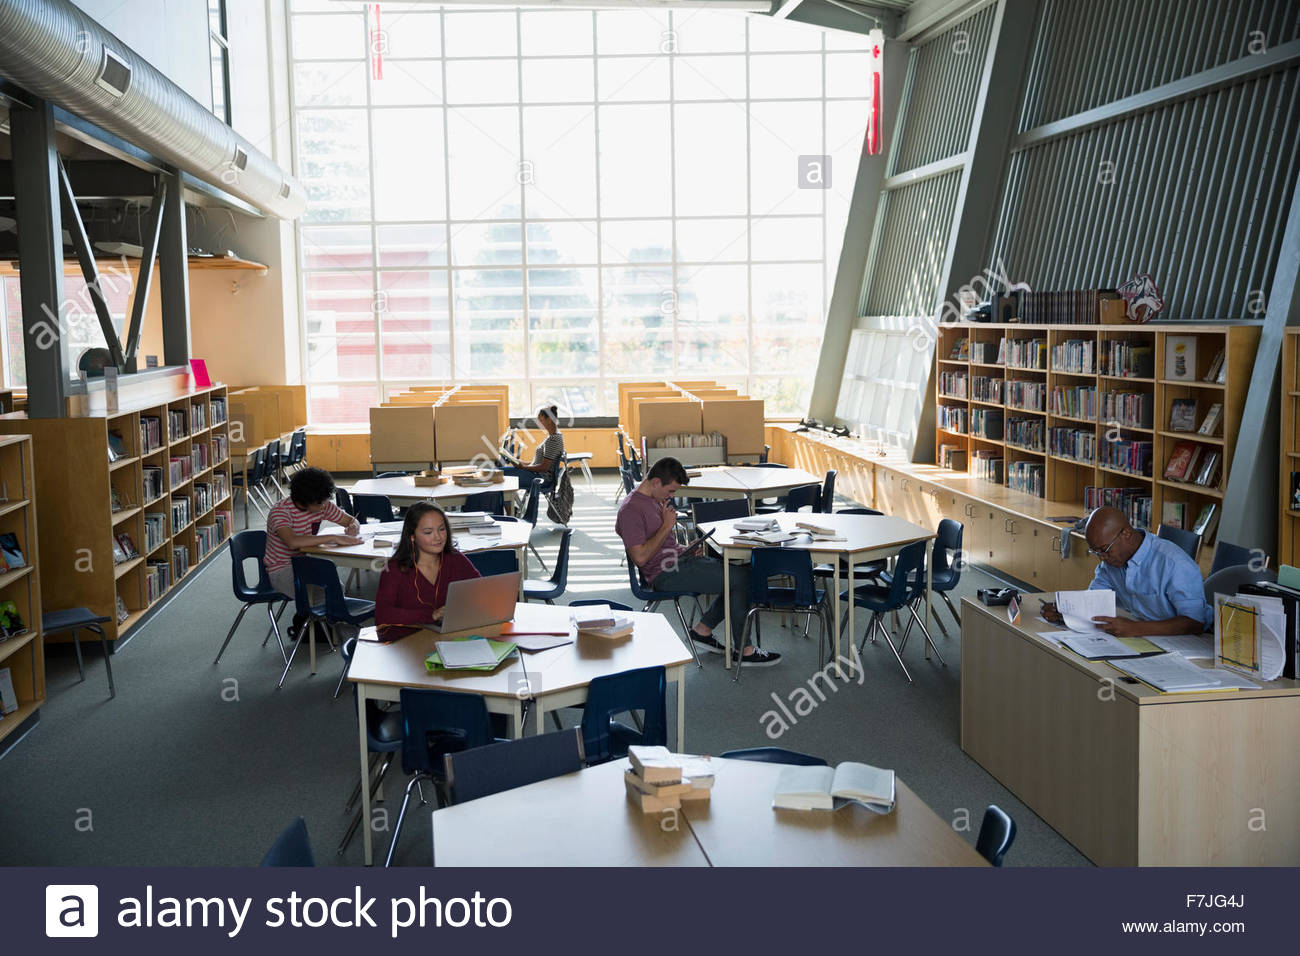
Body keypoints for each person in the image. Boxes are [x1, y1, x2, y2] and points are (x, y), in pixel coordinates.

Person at [616, 456, 780, 666]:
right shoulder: (631, 509)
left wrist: (686, 549)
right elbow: (639, 557)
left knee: (745, 572)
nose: (672, 496)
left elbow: (662, 545)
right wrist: (667, 526)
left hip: (678, 562)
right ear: (656, 482)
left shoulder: (654, 500)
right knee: (741, 579)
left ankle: (703, 631)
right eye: (671, 491)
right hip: (664, 574)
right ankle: (743, 651)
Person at [1040, 506, 1211, 636]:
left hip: (1191, 641)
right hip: (1146, 635)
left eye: (1105, 549)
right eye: (1096, 552)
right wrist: (1066, 613)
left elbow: (1194, 622)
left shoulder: (1174, 563)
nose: (1102, 558)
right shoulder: (1111, 561)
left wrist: (1135, 628)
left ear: (1126, 534)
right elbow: (1094, 600)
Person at [264, 466, 362, 636]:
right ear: (305, 500)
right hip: (281, 569)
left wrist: (353, 526)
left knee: (334, 586)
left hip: (306, 564)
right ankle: (340, 632)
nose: (325, 505)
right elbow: (292, 542)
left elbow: (351, 520)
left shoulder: (320, 504)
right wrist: (332, 537)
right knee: (325, 593)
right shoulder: (280, 512)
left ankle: (334, 630)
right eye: (321, 502)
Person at [375, 502, 481, 632]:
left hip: (450, 635)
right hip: (408, 642)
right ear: (412, 536)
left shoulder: (454, 557)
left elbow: (480, 591)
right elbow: (382, 615)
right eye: (428, 532)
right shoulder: (394, 568)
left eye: (442, 529)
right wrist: (431, 615)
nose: (438, 537)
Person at [502, 405, 565, 484]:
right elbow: (538, 463)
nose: (538, 423)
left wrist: (524, 467)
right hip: (536, 474)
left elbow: (544, 468)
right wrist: (523, 463)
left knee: (501, 474)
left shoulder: (553, 440)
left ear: (549, 420)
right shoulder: (553, 437)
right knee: (502, 472)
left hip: (539, 478)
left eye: (541, 420)